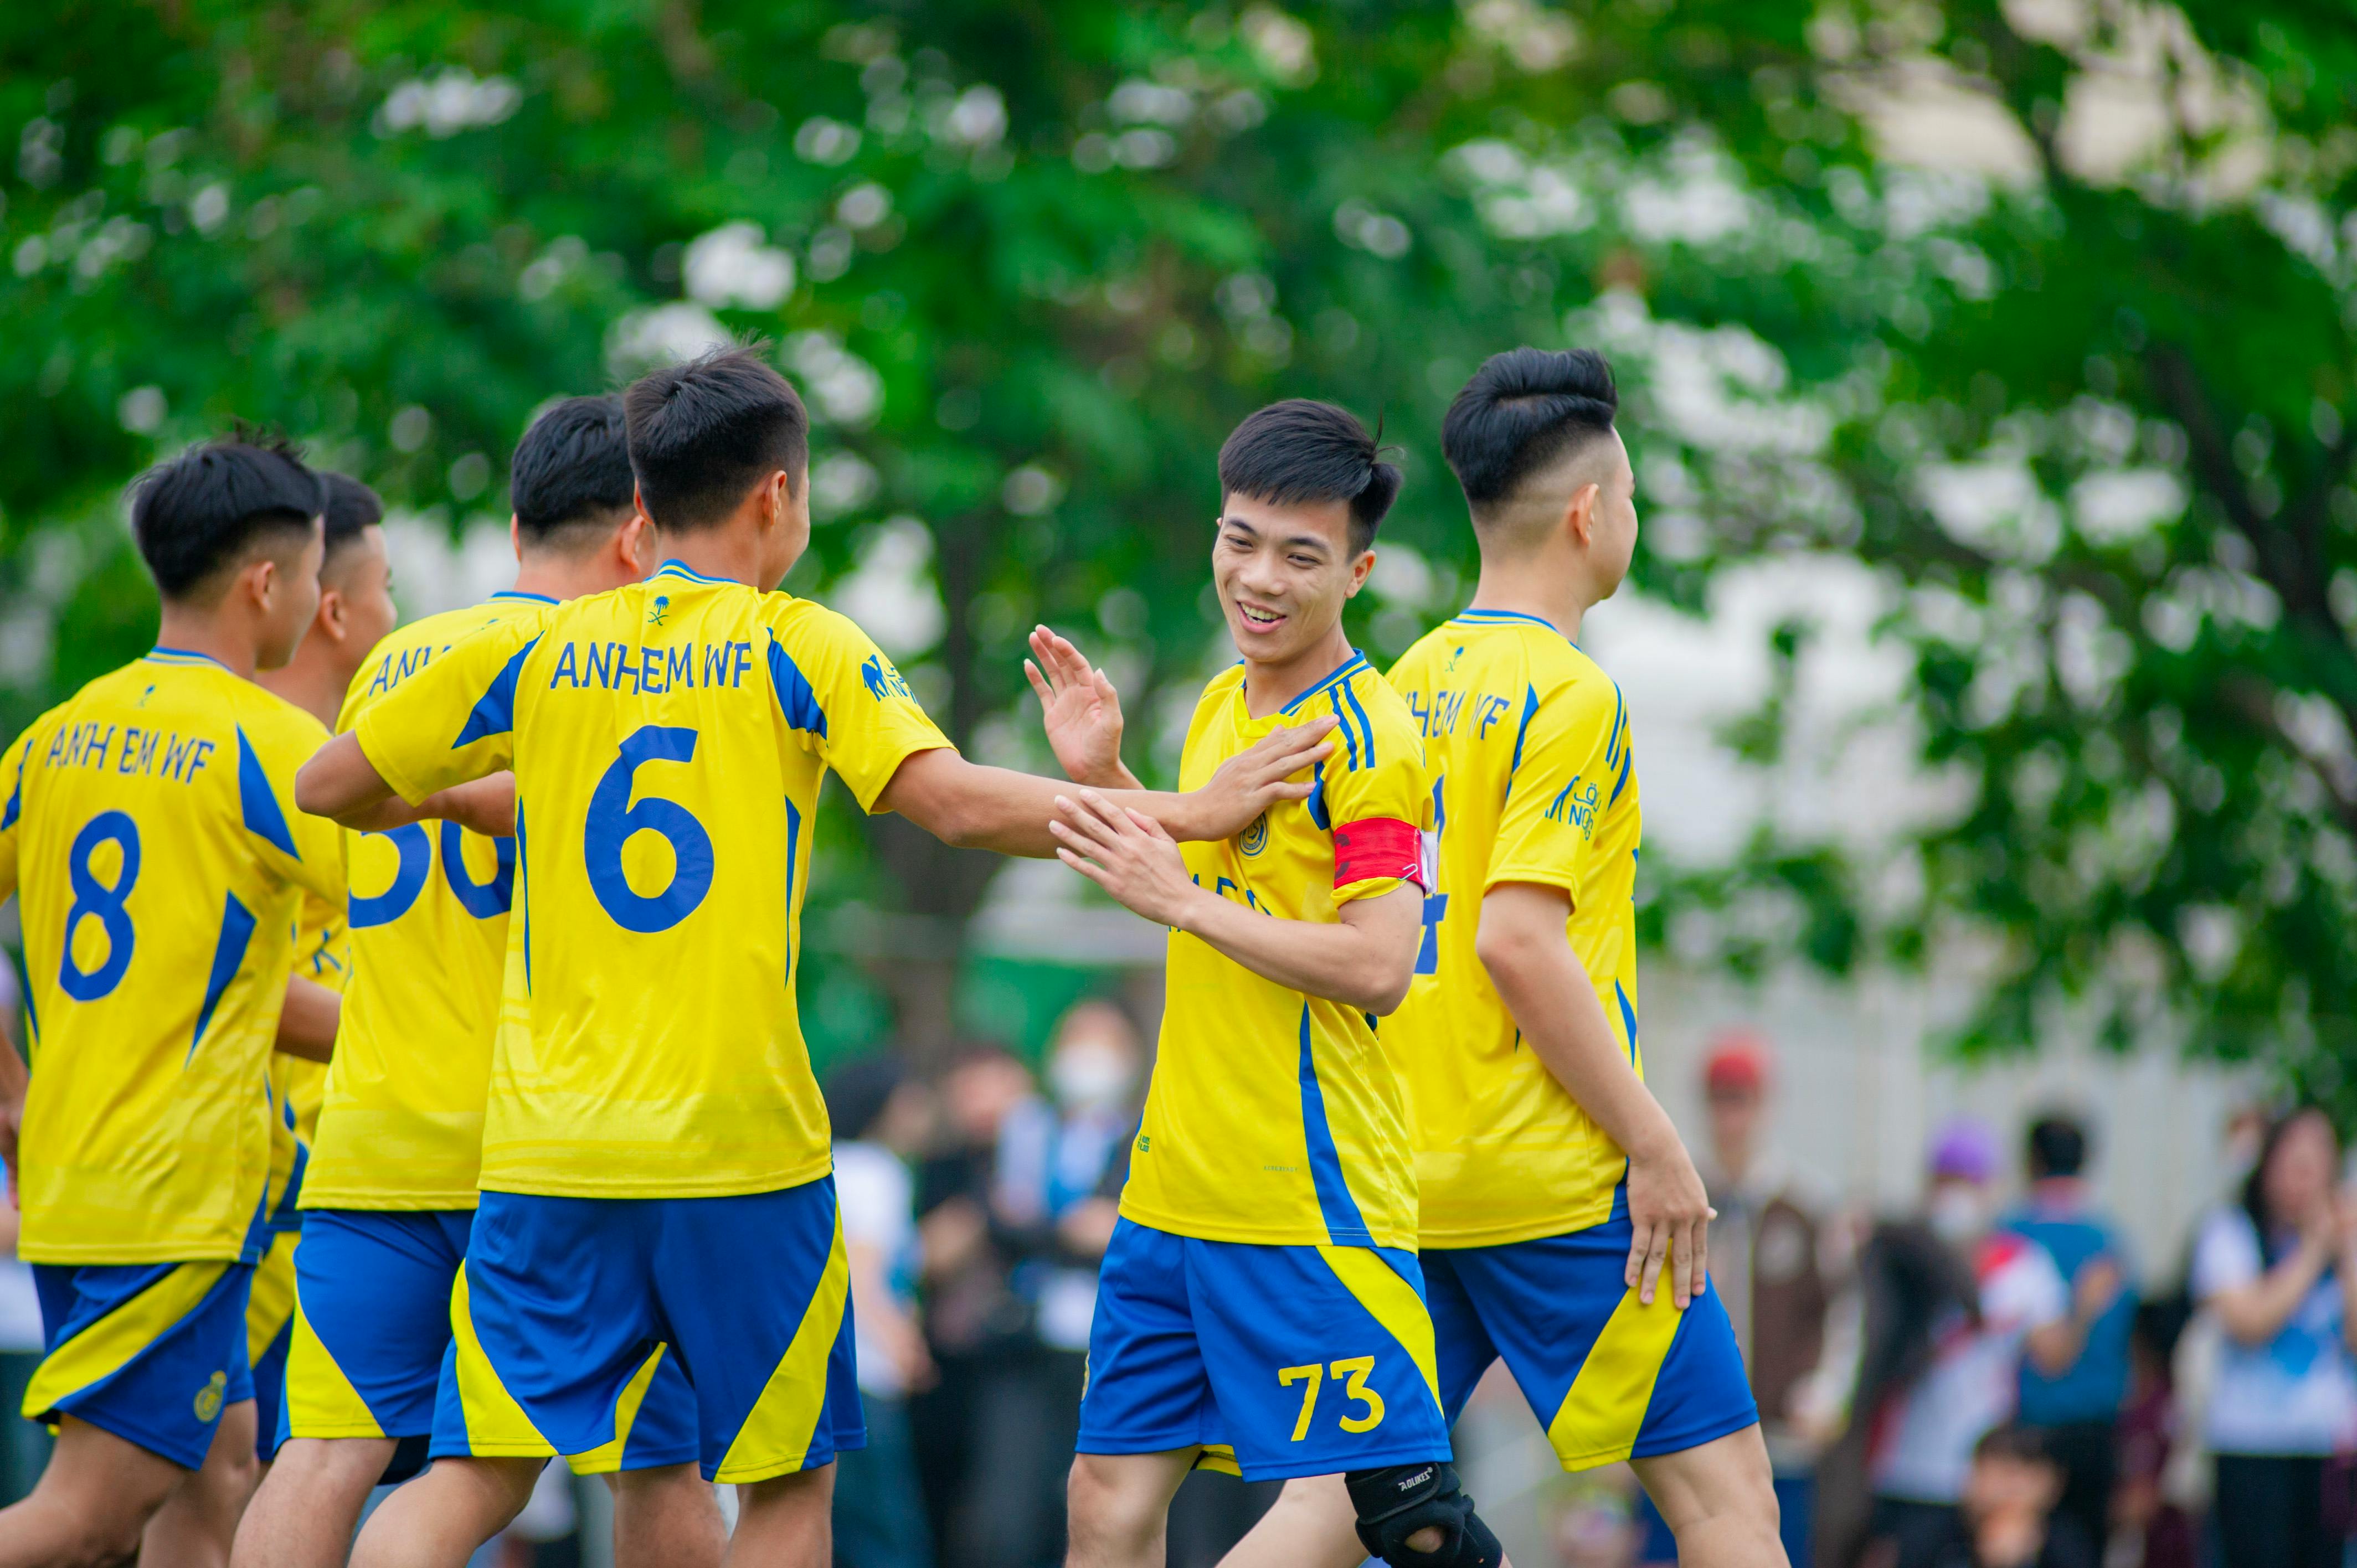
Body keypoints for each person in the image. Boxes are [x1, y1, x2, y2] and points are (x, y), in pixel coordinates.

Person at [295, 345, 1336, 1568]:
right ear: (775, 499)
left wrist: (482, 793)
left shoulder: (535, 652)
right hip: (741, 1155)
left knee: (471, 1479)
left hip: (548, 1153)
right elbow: (950, 803)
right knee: (785, 1491)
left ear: (642, 505)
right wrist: (1187, 810)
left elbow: (333, 785)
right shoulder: (801, 643)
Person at [1206, 350, 1776, 1568]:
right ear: (1590, 513)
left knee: (1318, 1518)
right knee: (1727, 1507)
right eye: (1628, 498)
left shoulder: (1404, 678)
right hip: (1556, 1190)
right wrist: (1656, 1146)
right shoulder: (1572, 695)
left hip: (1405, 1184)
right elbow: (1516, 942)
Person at [233, 396, 724, 1568]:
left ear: (515, 528)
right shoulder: (613, 677)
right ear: (640, 536)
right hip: (550, 1152)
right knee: (649, 1451)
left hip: (374, 1137)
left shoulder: (400, 658)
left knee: (324, 1452)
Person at [1027, 399, 1499, 1568]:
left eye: (1301, 554)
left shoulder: (1373, 735)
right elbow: (1206, 869)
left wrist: (1179, 899)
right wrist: (1109, 775)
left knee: (1411, 1524)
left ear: (1359, 570)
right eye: (1241, 540)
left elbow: (1382, 963)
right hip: (1172, 1193)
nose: (1261, 577)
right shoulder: (1220, 709)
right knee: (1103, 1500)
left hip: (1307, 1201)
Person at [0, 437, 346, 1566]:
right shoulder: (271, 747)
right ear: (267, 583)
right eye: (315, 576)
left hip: (67, 1171)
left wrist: (9, 1089)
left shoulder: (56, 736)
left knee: (219, 1475)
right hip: (177, 1192)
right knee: (87, 1517)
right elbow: (406, 915)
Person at [1862, 1121, 2114, 1568]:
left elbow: (2052, 1357)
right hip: (1905, 1465)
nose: (1955, 1193)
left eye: (1968, 1180)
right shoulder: (1904, 1256)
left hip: (1986, 1476)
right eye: (1946, 1179)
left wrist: (2084, 1310)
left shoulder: (2021, 1264)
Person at [2188, 1106, 2357, 1568]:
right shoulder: (2230, 1231)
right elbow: (2250, 1324)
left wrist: (2348, 1255)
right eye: (2293, 1161)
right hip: (2250, 1442)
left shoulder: (2346, 1241)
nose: (2304, 1176)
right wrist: (2313, 1251)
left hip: (2327, 1445)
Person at [1994, 1114, 2136, 1560]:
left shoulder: (2009, 1235)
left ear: (2030, 1161)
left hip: (2027, 1428)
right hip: (2097, 1424)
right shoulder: (2109, 1240)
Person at [825, 1053, 937, 1568]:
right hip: (866, 1375)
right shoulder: (876, 1172)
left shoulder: (831, 1164)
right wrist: (903, 1343)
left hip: (823, 1372)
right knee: (889, 1535)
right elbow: (863, 1274)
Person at [1931, 1426, 2097, 1568]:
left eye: (2024, 1477)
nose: (2008, 1490)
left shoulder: (2066, 1543)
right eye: (1998, 1473)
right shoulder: (1938, 1534)